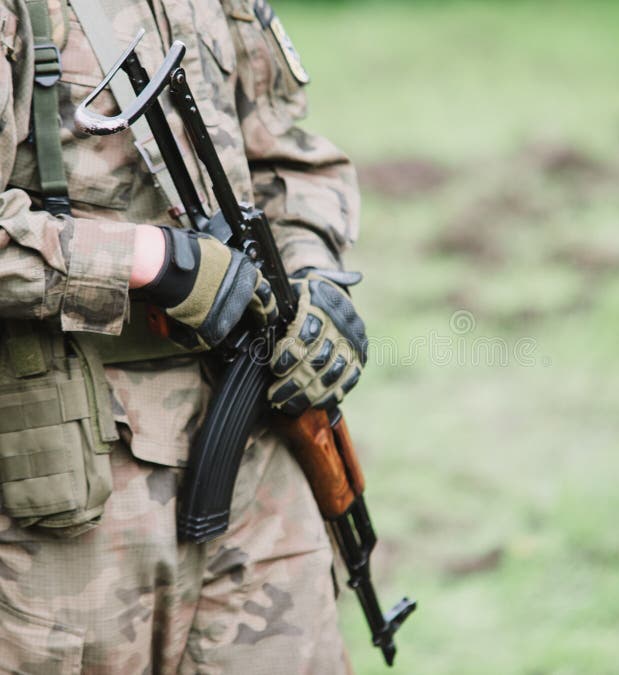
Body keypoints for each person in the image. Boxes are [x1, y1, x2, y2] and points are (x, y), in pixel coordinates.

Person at [0, 0, 367, 671]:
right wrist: (144, 261)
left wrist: (315, 276)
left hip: (259, 464)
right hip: (70, 504)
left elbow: (288, 156)